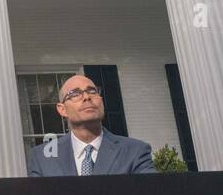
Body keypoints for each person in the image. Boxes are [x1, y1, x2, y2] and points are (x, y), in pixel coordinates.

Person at [26, 73, 154, 176]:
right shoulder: (42, 157)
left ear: (101, 102)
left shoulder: (135, 151)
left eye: (92, 91)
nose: (86, 97)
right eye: (75, 94)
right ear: (62, 109)